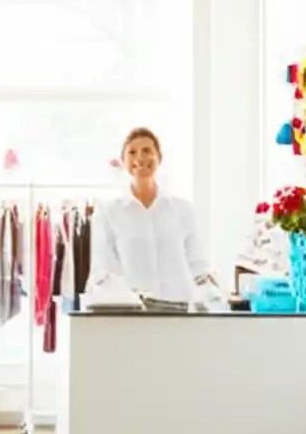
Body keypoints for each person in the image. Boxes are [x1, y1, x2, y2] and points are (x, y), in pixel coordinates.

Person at [89, 127, 216, 305]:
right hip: (134, 312)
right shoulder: (109, 212)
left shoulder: (183, 209)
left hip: (180, 308)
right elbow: (105, 267)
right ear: (123, 161)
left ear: (159, 158)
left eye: (147, 150)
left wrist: (211, 298)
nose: (140, 158)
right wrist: (131, 297)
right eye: (132, 152)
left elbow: (198, 263)